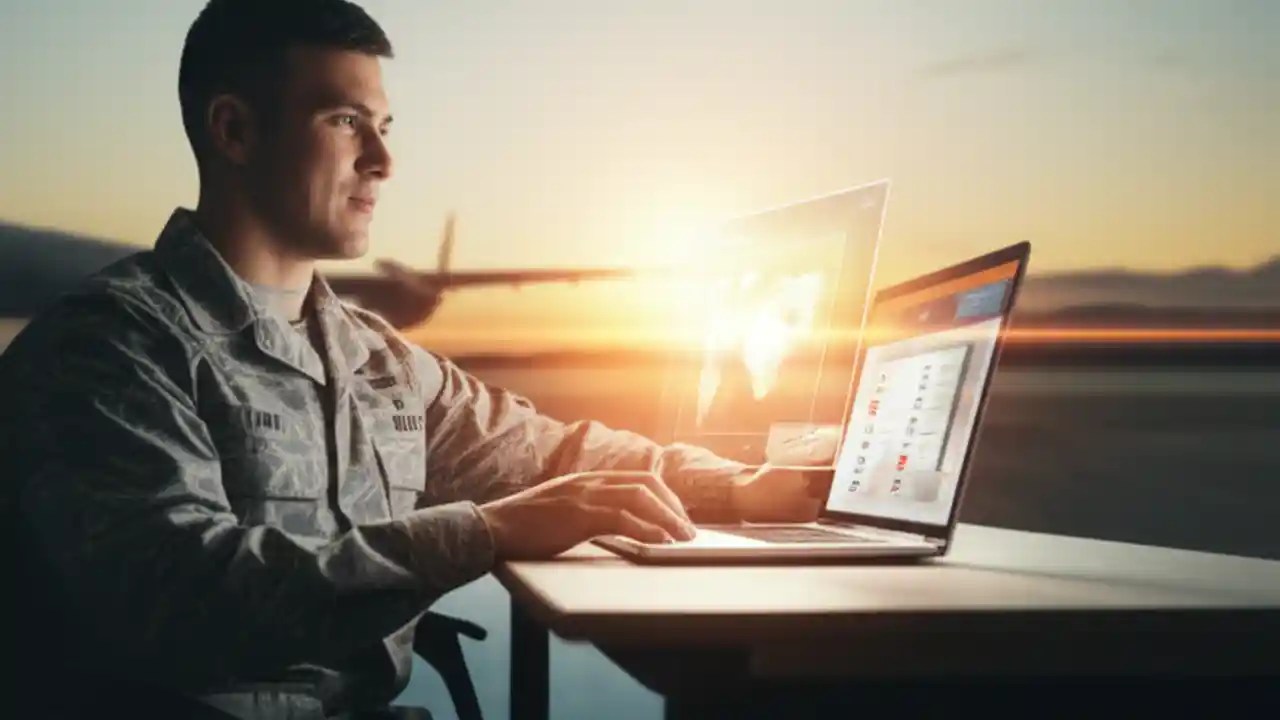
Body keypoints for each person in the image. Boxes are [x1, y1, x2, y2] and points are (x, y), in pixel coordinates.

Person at [2, 1, 825, 717]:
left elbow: (556, 458)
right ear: (234, 130)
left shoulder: (377, 362)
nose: (384, 162)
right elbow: (182, 595)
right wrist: (481, 532)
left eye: (385, 128)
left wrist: (743, 488)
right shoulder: (107, 349)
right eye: (345, 122)